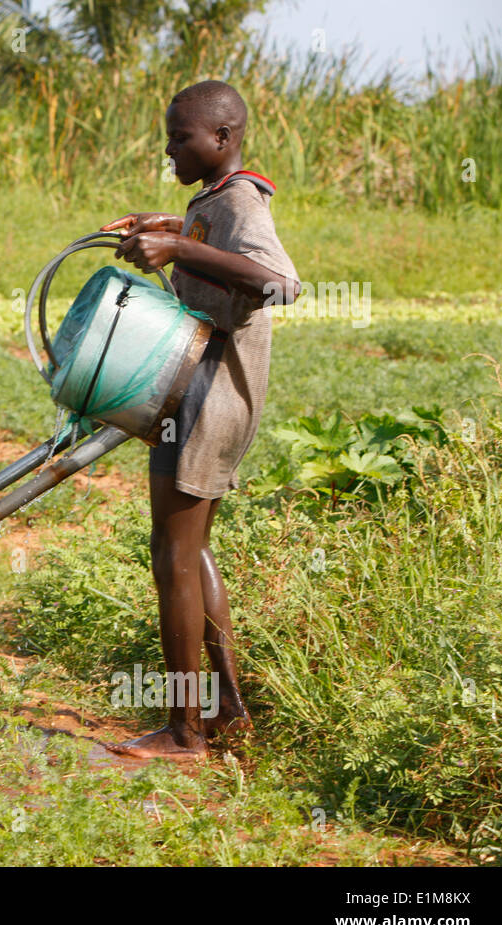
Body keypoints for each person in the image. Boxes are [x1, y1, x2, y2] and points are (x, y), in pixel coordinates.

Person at [99, 79, 300, 759]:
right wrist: (162, 228)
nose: (169, 146)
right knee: (191, 550)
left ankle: (186, 733)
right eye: (168, 134)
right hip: (198, 391)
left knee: (174, 556)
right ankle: (229, 713)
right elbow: (208, 240)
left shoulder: (242, 198)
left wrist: (180, 249)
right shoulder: (212, 201)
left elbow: (278, 282)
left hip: (214, 393)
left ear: (224, 138)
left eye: (181, 136)